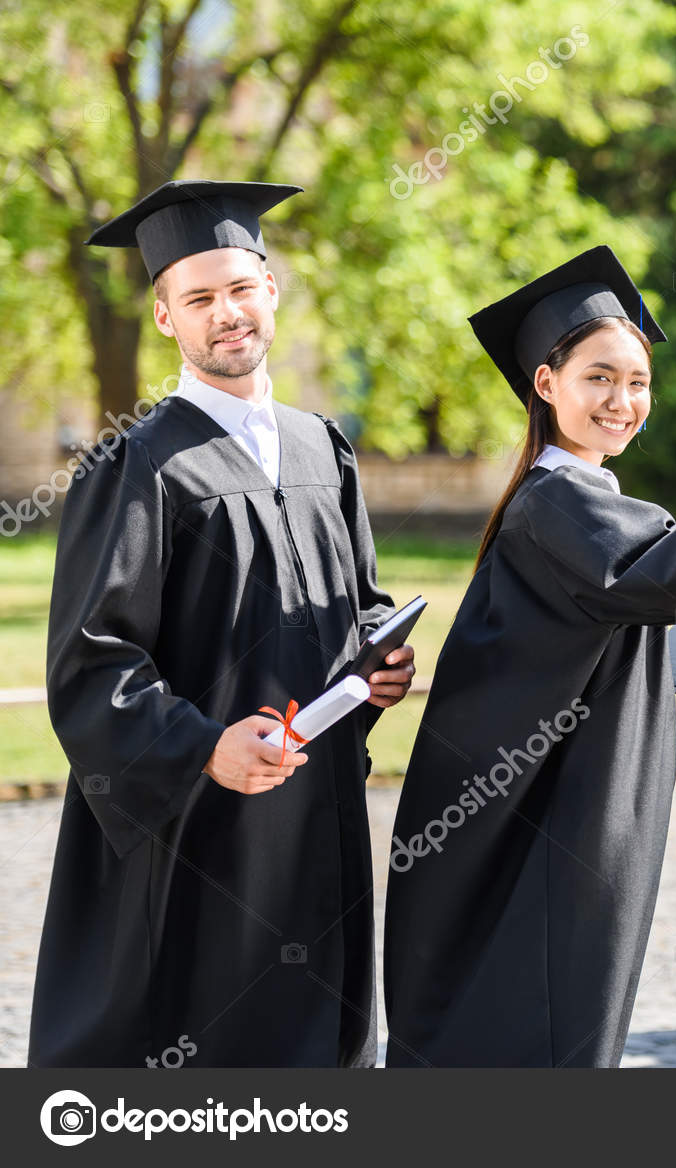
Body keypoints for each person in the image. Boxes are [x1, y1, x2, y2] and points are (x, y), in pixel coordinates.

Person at [382, 246, 676, 1067]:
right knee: (544, 1022)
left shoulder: (569, 496)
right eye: (599, 378)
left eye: (638, 382)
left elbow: (577, 641)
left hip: (561, 802)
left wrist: (674, 660)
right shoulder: (558, 500)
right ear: (546, 384)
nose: (623, 400)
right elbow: (673, 567)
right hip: (547, 824)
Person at [33, 180, 416, 1068]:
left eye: (240, 289)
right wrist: (204, 747)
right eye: (198, 299)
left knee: (320, 1037)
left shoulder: (325, 447)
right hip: (196, 827)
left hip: (312, 809)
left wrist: (378, 658)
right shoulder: (134, 464)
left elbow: (357, 597)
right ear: (167, 319)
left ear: (271, 289)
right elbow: (90, 665)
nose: (226, 314)